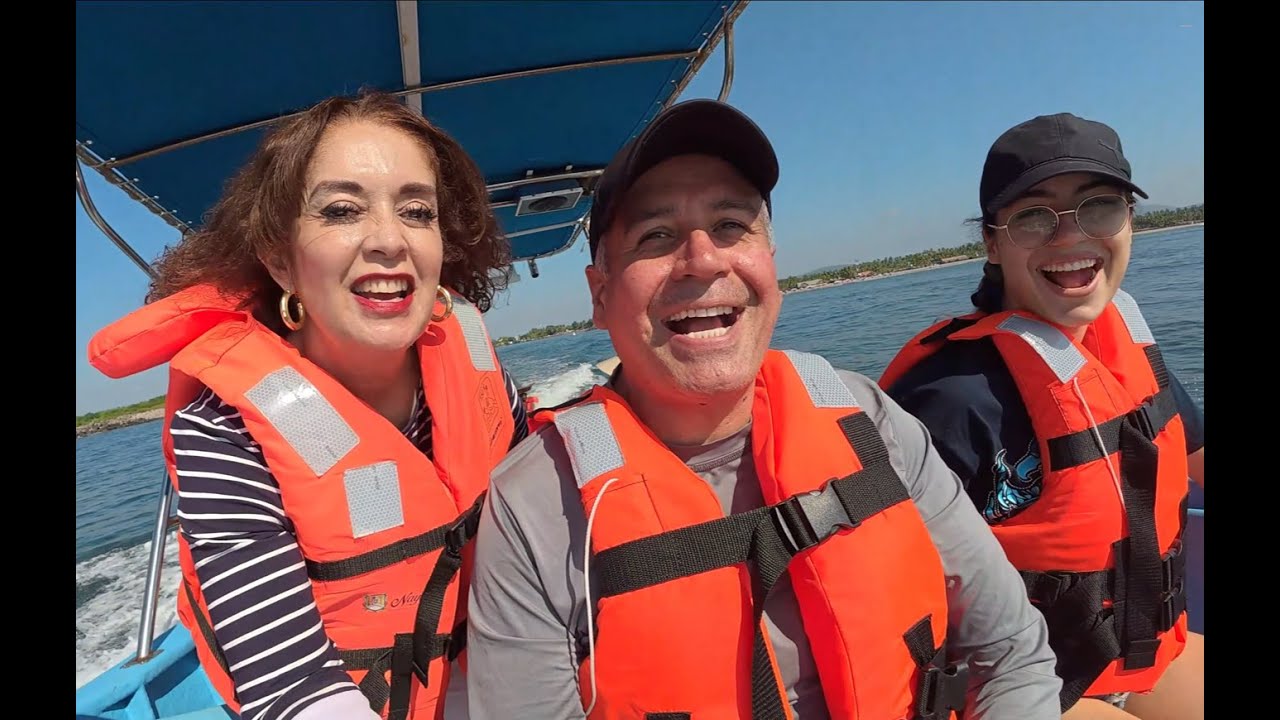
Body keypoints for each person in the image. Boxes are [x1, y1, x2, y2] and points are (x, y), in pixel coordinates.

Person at [463, 99, 1064, 720]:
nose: (703, 260)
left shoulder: (869, 420)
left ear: (770, 263)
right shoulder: (537, 505)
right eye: (656, 236)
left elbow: (1011, 654)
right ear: (600, 294)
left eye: (731, 225)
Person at [88, 89, 528, 720]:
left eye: (417, 211)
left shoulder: (472, 367)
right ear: (280, 261)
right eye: (343, 210)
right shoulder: (223, 431)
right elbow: (293, 689)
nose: (390, 240)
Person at [879, 112, 1204, 719]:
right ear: (992, 242)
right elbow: (882, 597)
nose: (1071, 237)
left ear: (1130, 220)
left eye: (1100, 206)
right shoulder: (950, 400)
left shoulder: (1127, 352)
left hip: (1139, 652)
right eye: (1033, 216)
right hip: (1017, 684)